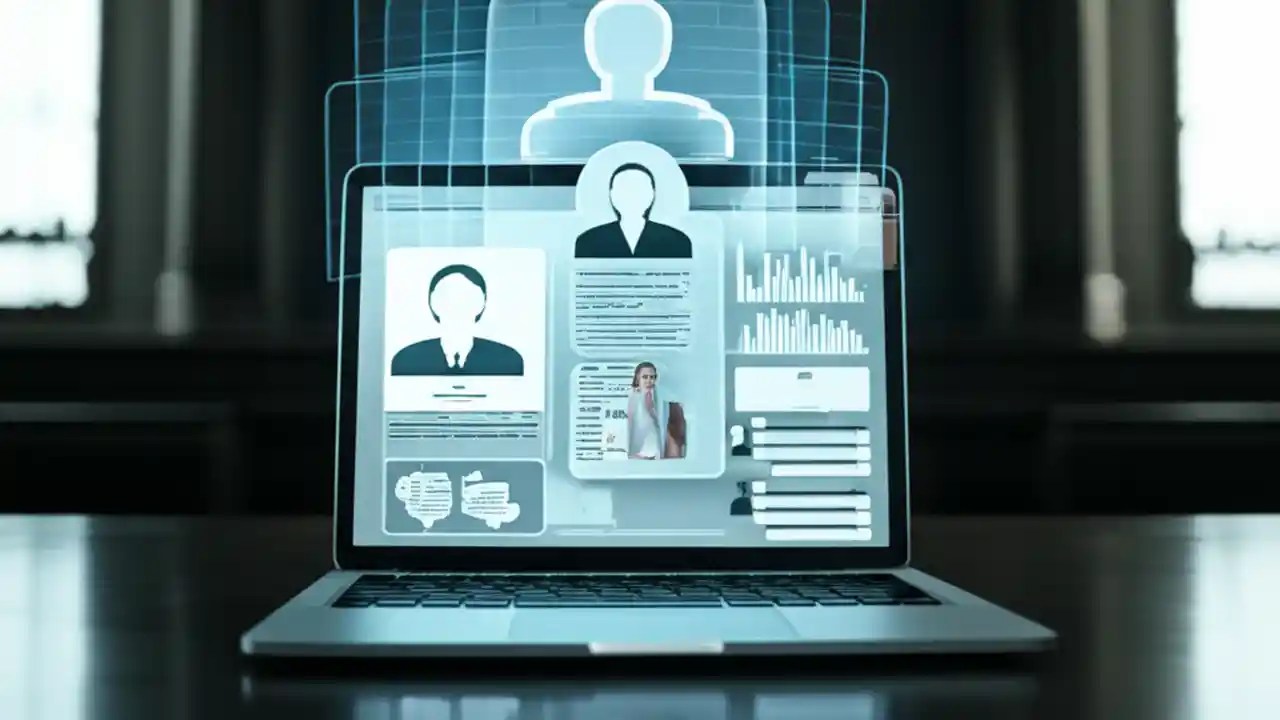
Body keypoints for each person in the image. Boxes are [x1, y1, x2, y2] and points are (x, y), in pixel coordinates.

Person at [390, 264, 524, 376]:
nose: (456, 303)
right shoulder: (407, 360)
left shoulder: (508, 360)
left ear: (482, 303)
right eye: (446, 295)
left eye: (466, 295)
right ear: (432, 302)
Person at [575, 163, 692, 259]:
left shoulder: (677, 240)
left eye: (639, 188)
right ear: (612, 195)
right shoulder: (588, 240)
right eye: (624, 188)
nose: (632, 195)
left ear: (652, 194)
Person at [623, 361, 686, 459]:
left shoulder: (660, 399)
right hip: (636, 453)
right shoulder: (630, 399)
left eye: (652, 377)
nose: (649, 380)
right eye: (645, 377)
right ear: (637, 378)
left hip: (655, 452)